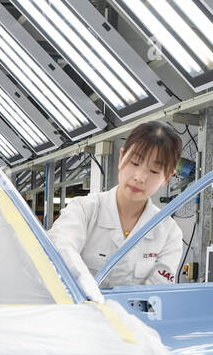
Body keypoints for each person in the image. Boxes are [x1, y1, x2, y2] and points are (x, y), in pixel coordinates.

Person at [47, 121, 185, 289]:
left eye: (154, 171)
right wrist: (83, 281)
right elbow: (61, 248)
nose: (140, 176)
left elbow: (156, 296)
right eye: (135, 163)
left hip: (131, 316)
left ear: (168, 177)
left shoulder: (169, 233)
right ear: (121, 158)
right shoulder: (83, 210)